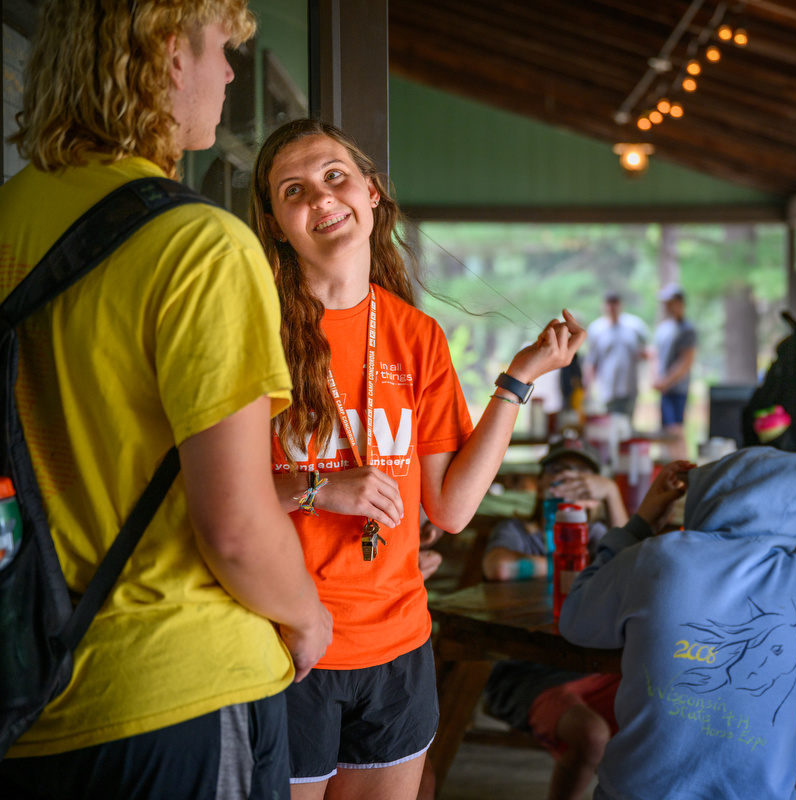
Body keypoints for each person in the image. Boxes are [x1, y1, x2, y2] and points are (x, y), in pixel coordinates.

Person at [0, 2, 333, 797]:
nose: (226, 73)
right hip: (174, 691)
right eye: (219, 49)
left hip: (25, 690)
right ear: (164, 55)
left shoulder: (9, 217)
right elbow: (239, 530)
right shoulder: (200, 245)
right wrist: (308, 615)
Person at [249, 118, 584, 800]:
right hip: (287, 644)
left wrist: (518, 380)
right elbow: (214, 495)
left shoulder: (415, 335)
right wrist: (318, 488)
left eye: (335, 177)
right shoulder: (254, 329)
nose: (321, 198)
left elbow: (452, 508)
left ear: (371, 194)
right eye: (295, 190)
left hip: (398, 645)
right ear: (278, 224)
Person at [559, 448, 796, 800]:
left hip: (635, 795)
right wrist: (794, 540)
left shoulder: (656, 556)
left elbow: (575, 619)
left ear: (703, 498)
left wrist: (640, 524)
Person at [481, 440, 626, 800]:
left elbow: (630, 567)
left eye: (579, 475)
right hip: (526, 670)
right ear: (541, 484)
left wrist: (611, 496)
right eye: (556, 472)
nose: (565, 480)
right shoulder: (519, 530)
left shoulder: (593, 534)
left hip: (588, 666)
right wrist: (575, 566)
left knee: (660, 710)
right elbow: (498, 566)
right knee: (591, 735)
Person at [586, 291, 649, 418]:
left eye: (615, 304)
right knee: (608, 426)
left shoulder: (635, 326)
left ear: (621, 305)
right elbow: (591, 361)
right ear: (603, 306)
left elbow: (647, 351)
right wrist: (588, 387)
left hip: (629, 387)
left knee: (627, 427)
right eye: (609, 304)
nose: (612, 308)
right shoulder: (596, 329)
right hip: (607, 389)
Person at [652, 283, 696, 460]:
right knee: (666, 432)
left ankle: (682, 468)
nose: (667, 306)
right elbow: (656, 356)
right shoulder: (664, 328)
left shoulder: (687, 329)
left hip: (677, 389)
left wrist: (666, 381)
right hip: (665, 389)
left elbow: (686, 360)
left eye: (670, 302)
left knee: (676, 430)